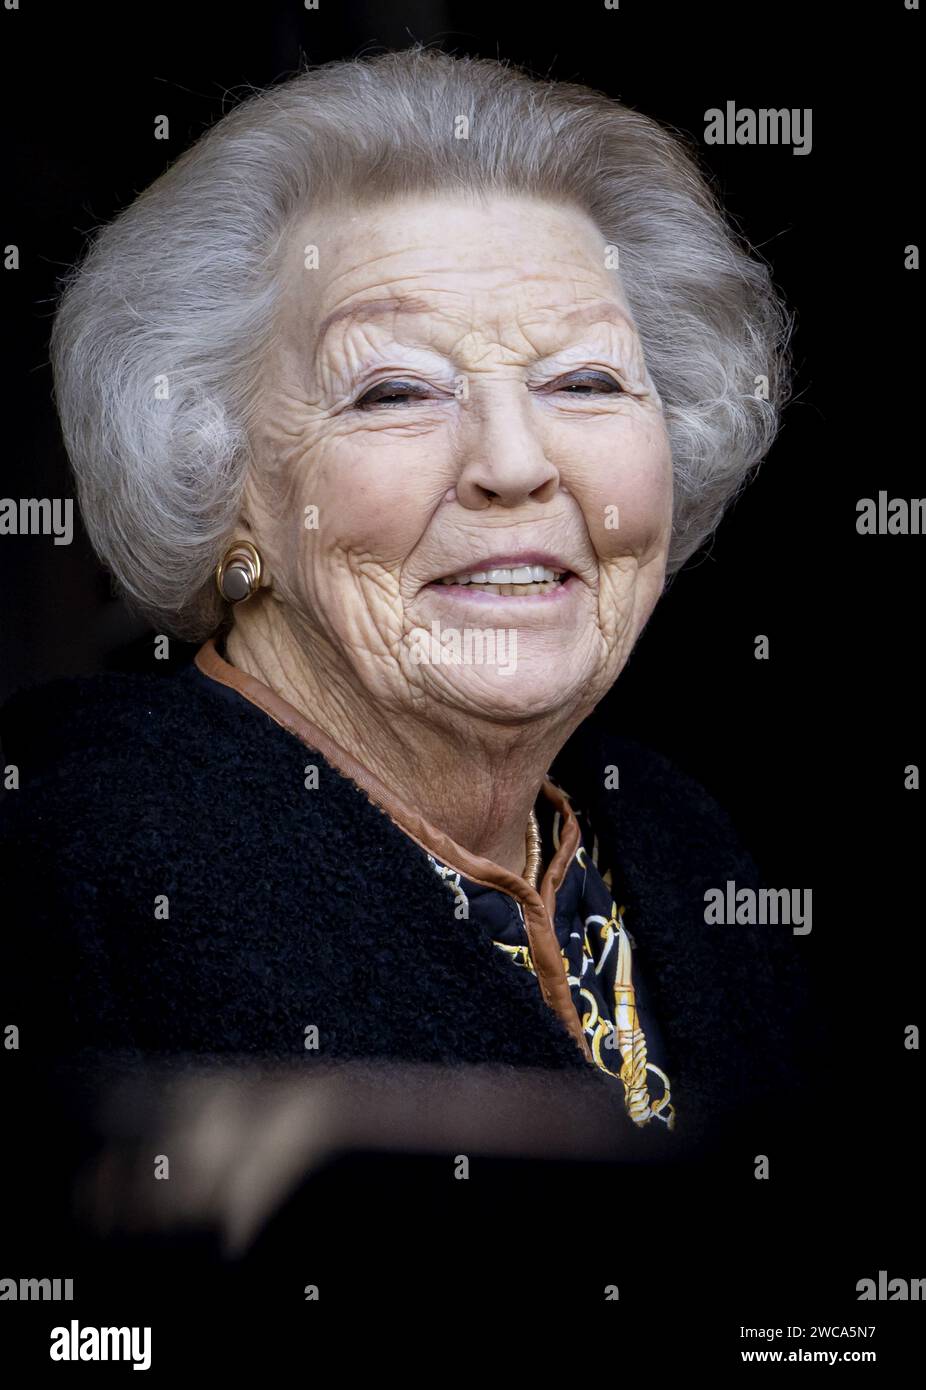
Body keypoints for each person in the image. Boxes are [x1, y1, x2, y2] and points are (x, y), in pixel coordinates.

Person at [0, 47, 805, 1154]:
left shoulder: (681, 848)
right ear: (222, 486)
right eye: (394, 392)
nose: (514, 462)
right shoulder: (59, 870)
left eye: (585, 381)